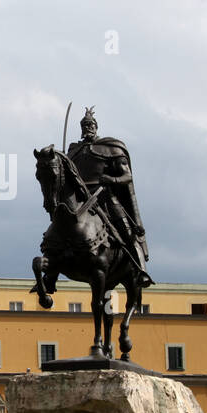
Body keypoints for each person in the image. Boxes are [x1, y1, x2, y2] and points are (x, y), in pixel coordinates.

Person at [66, 107, 154, 287]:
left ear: (96, 127)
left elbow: (127, 176)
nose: (87, 128)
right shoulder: (74, 152)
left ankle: (141, 270)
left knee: (126, 230)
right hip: (82, 200)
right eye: (84, 125)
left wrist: (111, 179)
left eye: (90, 124)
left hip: (105, 197)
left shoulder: (110, 148)